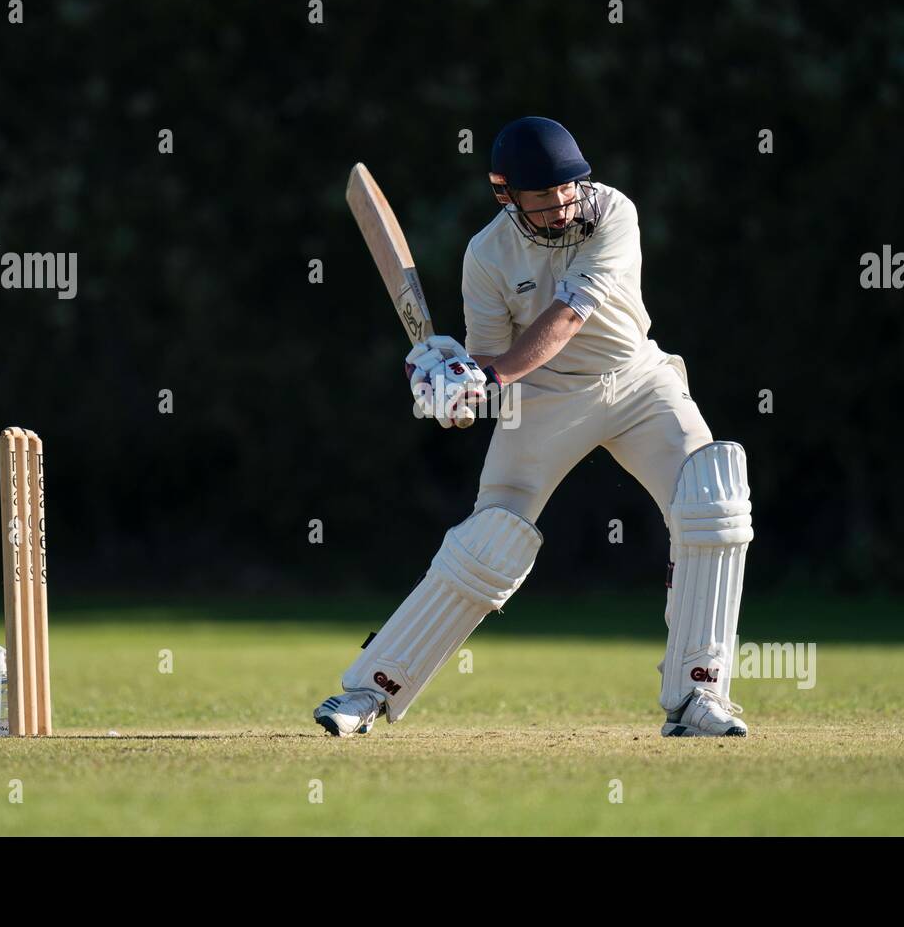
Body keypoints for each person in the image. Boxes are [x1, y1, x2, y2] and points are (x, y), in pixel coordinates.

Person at [314, 117, 753, 739]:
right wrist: (451, 389)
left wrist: (483, 379)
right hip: (543, 401)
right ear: (507, 197)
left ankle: (699, 697)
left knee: (714, 499)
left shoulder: (613, 213)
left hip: (640, 380)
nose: (560, 208)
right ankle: (367, 693)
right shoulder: (486, 256)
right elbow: (494, 366)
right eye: (542, 200)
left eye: (567, 192)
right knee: (487, 543)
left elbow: (566, 319)